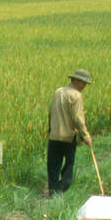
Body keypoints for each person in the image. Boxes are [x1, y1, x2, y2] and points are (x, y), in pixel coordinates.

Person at [47, 69, 93, 197]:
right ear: (76, 81)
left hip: (54, 135)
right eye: (83, 83)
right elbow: (78, 118)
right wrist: (86, 136)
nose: (84, 86)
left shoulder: (58, 91)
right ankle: (62, 188)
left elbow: (50, 112)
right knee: (68, 163)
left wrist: (50, 129)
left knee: (53, 164)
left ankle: (53, 190)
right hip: (68, 136)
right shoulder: (76, 95)